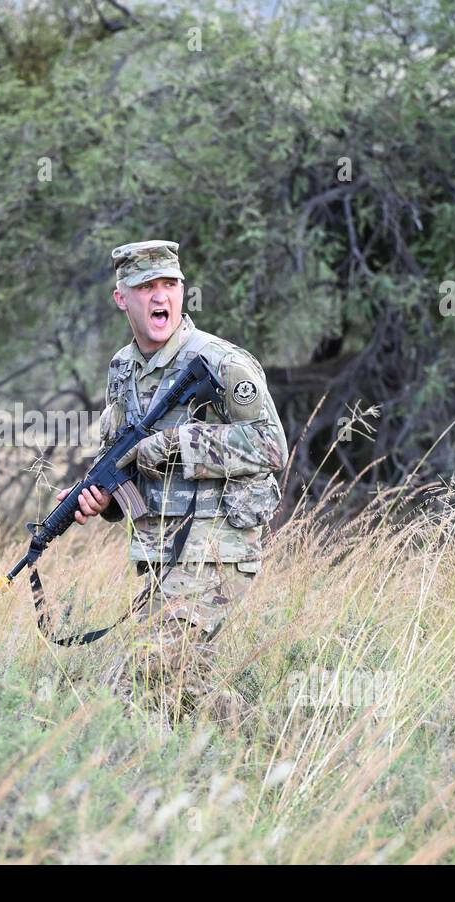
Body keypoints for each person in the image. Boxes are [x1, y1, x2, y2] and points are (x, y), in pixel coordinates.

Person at [56, 240, 287, 728]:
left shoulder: (221, 362)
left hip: (219, 546)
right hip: (163, 551)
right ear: (122, 298)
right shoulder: (123, 370)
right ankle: (274, 750)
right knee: (182, 690)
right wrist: (99, 499)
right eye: (146, 287)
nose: (160, 296)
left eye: (170, 285)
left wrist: (179, 444)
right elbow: (121, 460)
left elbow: (272, 447)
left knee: (141, 673)